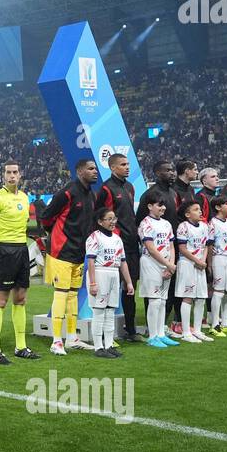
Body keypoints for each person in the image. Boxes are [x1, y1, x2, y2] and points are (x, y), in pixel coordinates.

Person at [39, 158, 99, 355]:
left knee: (73, 294)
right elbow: (46, 217)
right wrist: (55, 235)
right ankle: (56, 341)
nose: (95, 171)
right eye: (91, 169)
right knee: (62, 293)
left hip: (78, 252)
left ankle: (72, 337)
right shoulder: (67, 192)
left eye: (95, 168)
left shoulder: (91, 195)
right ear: (80, 171)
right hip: (61, 251)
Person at [0, 161, 40, 360]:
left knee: (21, 299)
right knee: (0, 301)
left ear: (20, 174)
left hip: (21, 249)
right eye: (8, 172)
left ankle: (20, 347)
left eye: (15, 172)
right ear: (3, 175)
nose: (12, 176)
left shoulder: (25, 198)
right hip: (3, 250)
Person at [96, 153, 141, 342]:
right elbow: (102, 217)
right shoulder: (106, 189)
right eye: (123, 164)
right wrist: (112, 240)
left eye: (128, 164)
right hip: (114, 246)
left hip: (131, 245)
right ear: (113, 167)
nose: (127, 167)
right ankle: (107, 335)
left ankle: (130, 330)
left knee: (130, 287)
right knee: (110, 289)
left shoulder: (130, 187)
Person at [84, 208, 132, 358]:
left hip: (113, 273)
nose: (113, 222)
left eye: (114, 218)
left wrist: (129, 282)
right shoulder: (94, 238)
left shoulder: (117, 239)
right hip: (100, 272)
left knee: (110, 311)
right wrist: (93, 283)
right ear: (100, 221)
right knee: (99, 311)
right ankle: (98, 347)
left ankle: (109, 345)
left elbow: (123, 262)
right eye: (109, 219)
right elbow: (91, 261)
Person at [136, 191, 176, 348]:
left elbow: (171, 246)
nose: (163, 208)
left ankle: (160, 333)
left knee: (162, 301)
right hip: (150, 263)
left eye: (164, 205)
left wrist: (170, 265)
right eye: (160, 205)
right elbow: (151, 249)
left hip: (166, 264)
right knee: (154, 300)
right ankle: (152, 336)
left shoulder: (167, 224)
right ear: (150, 206)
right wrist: (169, 264)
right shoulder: (145, 224)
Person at [174, 200, 212, 343]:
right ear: (187, 214)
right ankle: (186, 332)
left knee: (201, 297)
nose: (200, 211)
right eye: (196, 209)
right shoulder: (183, 227)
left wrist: (202, 260)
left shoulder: (204, 226)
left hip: (200, 264)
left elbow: (206, 246)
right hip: (187, 264)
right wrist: (197, 261)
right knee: (188, 297)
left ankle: (197, 330)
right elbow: (182, 248)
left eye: (200, 209)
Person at [206, 194, 227, 337]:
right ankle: (214, 324)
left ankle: (226, 323)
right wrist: (209, 263)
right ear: (218, 207)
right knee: (218, 291)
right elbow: (209, 244)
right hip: (219, 258)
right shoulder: (212, 223)